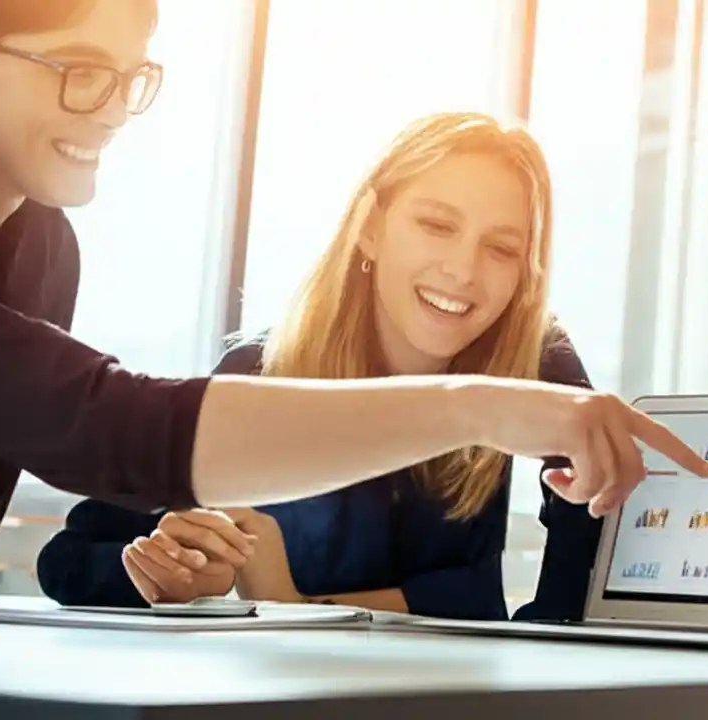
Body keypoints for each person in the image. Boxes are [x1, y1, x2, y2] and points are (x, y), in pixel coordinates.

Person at [0, 0, 708, 603]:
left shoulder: (45, 245)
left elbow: (497, 597)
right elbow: (111, 430)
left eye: (131, 77)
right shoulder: (268, 365)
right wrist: (477, 407)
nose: (110, 107)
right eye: (77, 67)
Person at [36, 113, 592, 619]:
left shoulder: (533, 364)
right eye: (437, 226)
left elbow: (557, 597)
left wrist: (289, 601)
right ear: (370, 226)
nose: (463, 270)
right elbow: (71, 561)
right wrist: (175, 577)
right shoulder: (262, 369)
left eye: (501, 249)